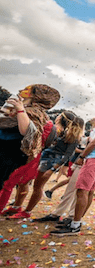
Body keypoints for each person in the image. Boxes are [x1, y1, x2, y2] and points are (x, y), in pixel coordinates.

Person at [7, 111, 83, 219]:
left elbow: (67, 156)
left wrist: (52, 169)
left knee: (37, 186)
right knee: (25, 181)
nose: (57, 116)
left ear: (62, 119)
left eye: (60, 115)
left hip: (50, 162)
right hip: (42, 157)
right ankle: (17, 206)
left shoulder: (72, 136)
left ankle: (27, 212)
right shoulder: (57, 130)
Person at [0, 85, 60, 214]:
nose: (21, 90)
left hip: (9, 153)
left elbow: (27, 131)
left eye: (26, 89)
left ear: (35, 95)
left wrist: (21, 110)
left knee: (5, 185)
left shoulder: (36, 112)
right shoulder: (20, 107)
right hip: (4, 148)